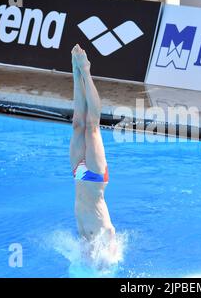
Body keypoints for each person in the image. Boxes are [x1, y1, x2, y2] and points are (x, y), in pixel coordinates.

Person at [70, 44, 116, 254]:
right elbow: (111, 232)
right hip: (95, 178)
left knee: (79, 123)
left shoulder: (92, 246)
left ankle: (76, 69)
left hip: (80, 176)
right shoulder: (105, 242)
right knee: (92, 127)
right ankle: (85, 70)